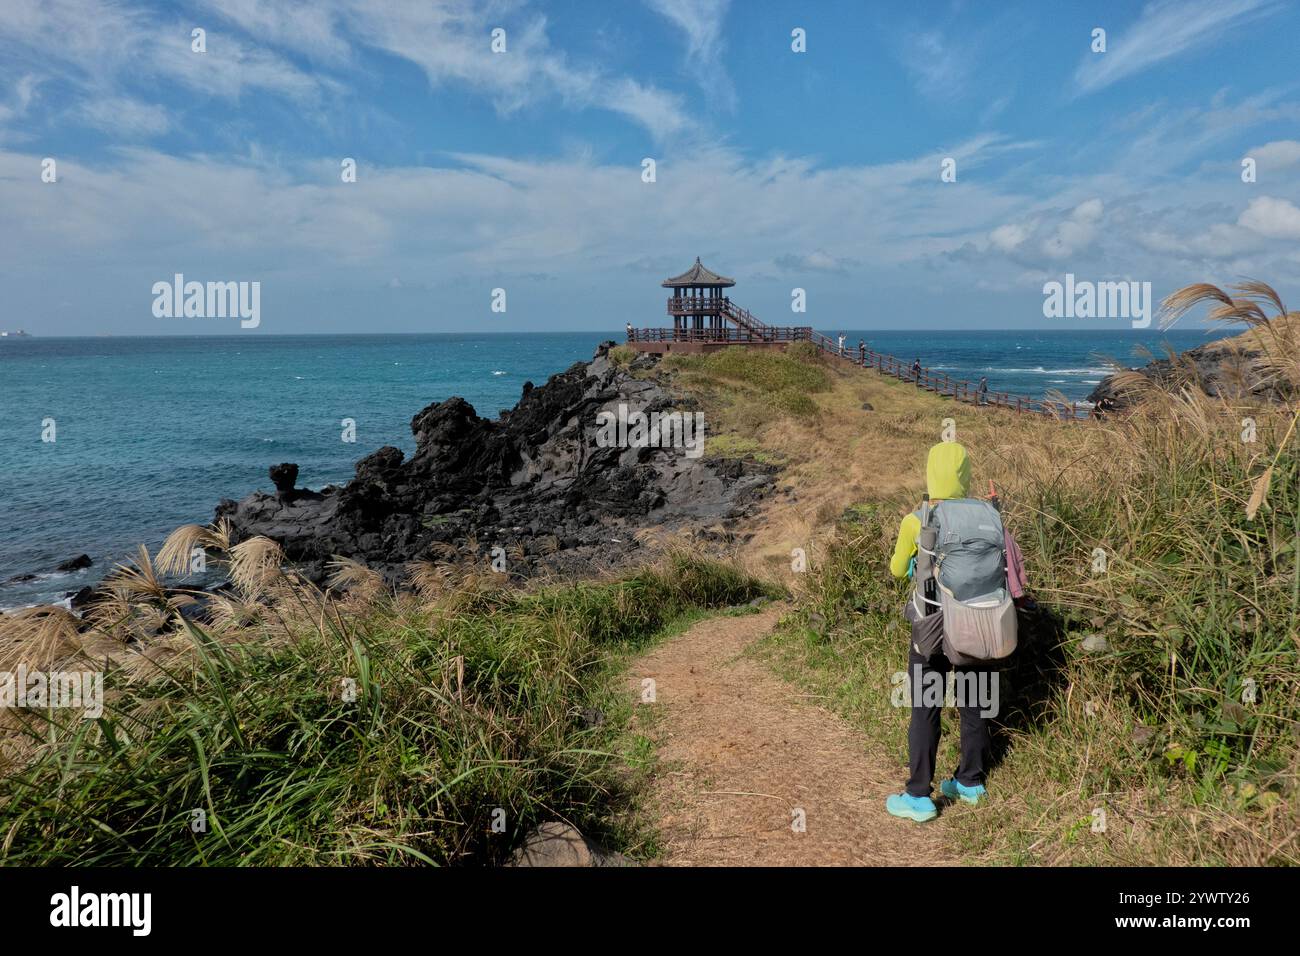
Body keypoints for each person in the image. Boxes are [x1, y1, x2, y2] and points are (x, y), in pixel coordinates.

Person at [885, 442, 991, 823]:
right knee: (974, 702)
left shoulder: (918, 518)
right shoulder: (988, 515)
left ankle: (918, 796)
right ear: (966, 476)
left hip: (932, 628)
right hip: (979, 626)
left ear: (931, 473)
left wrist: (916, 555)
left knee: (926, 706)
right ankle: (970, 782)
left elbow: (898, 569)